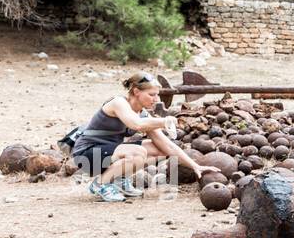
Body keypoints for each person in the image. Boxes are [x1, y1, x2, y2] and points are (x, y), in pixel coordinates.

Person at [71, 71, 204, 202]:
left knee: (161, 150)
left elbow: (167, 145)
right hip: (86, 154)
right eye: (151, 95)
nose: (156, 99)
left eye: (157, 95)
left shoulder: (143, 114)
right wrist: (165, 121)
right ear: (136, 92)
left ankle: (119, 179)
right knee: (137, 153)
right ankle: (100, 184)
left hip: (107, 152)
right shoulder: (118, 102)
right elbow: (136, 124)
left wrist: (195, 166)